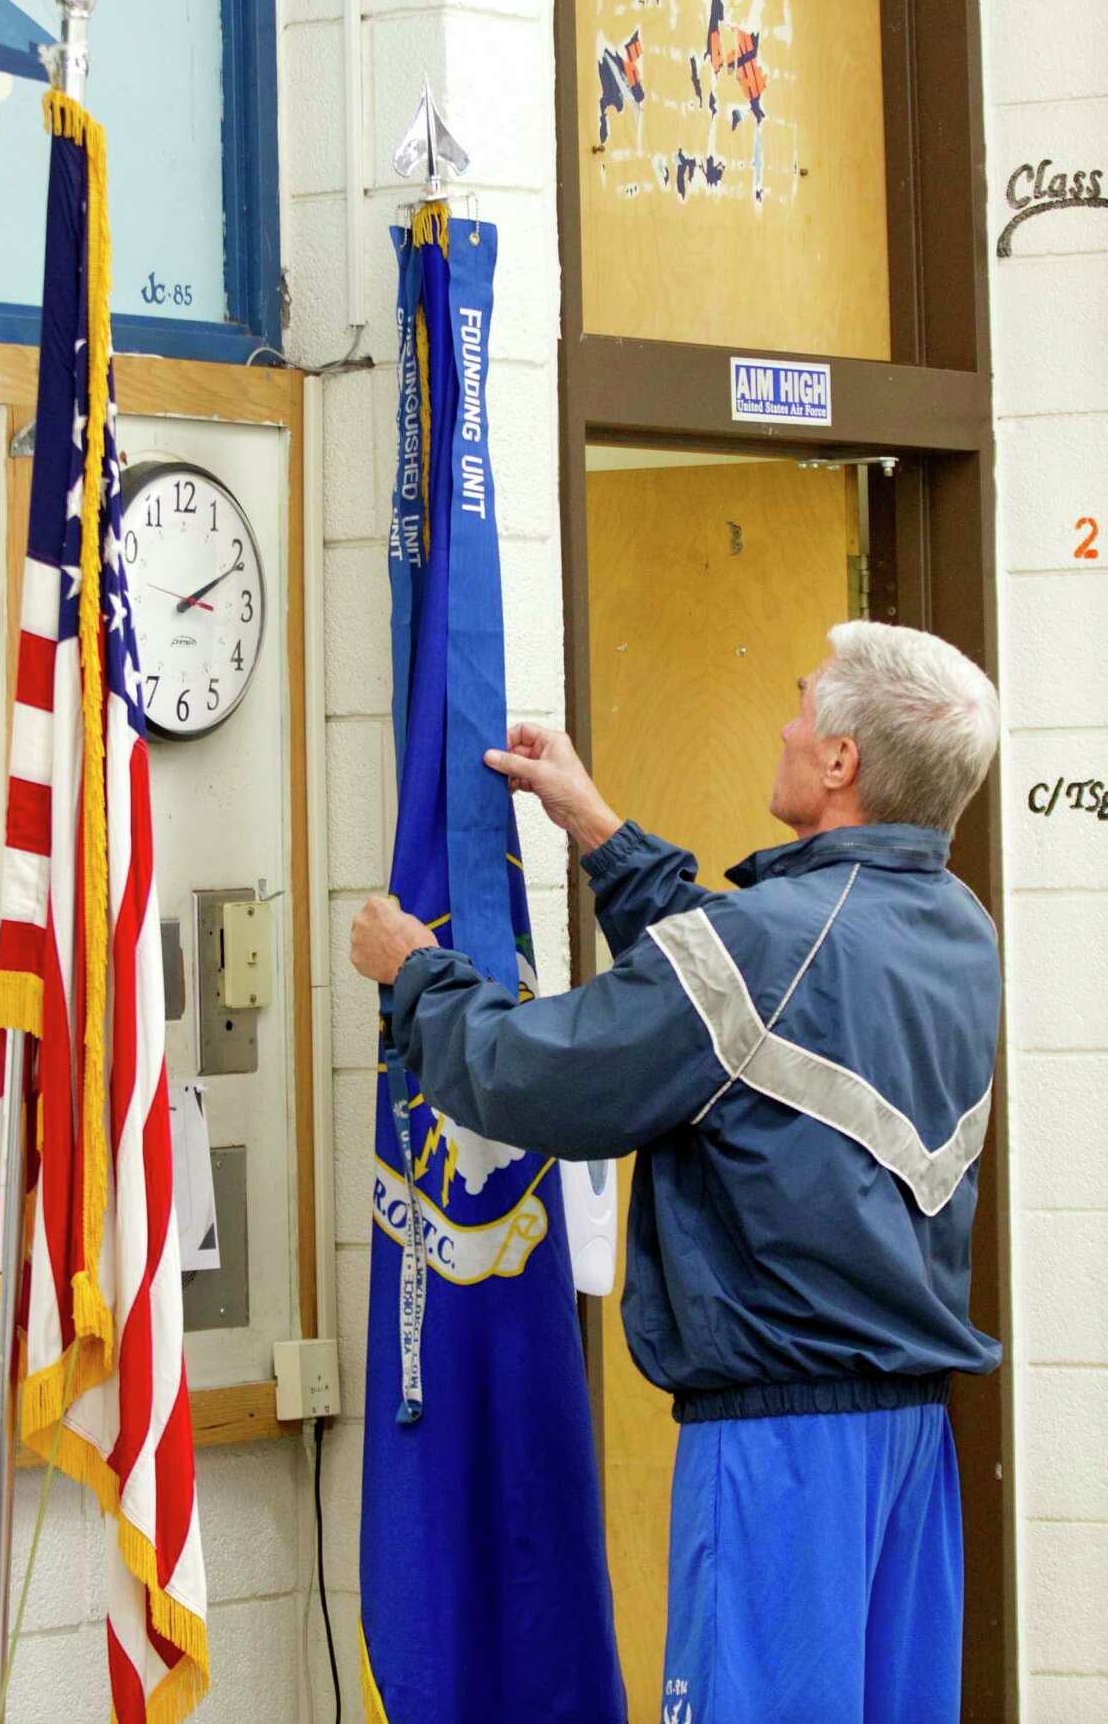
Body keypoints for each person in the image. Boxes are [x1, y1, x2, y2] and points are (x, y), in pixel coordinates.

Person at [350, 619, 1002, 1724]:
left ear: (842, 761)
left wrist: (417, 978)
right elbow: (760, 1001)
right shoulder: (956, 928)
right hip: (906, 1449)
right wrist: (602, 835)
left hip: (781, 1457)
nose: (789, 724)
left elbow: (530, 1079)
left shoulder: (769, 947)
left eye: (805, 704)